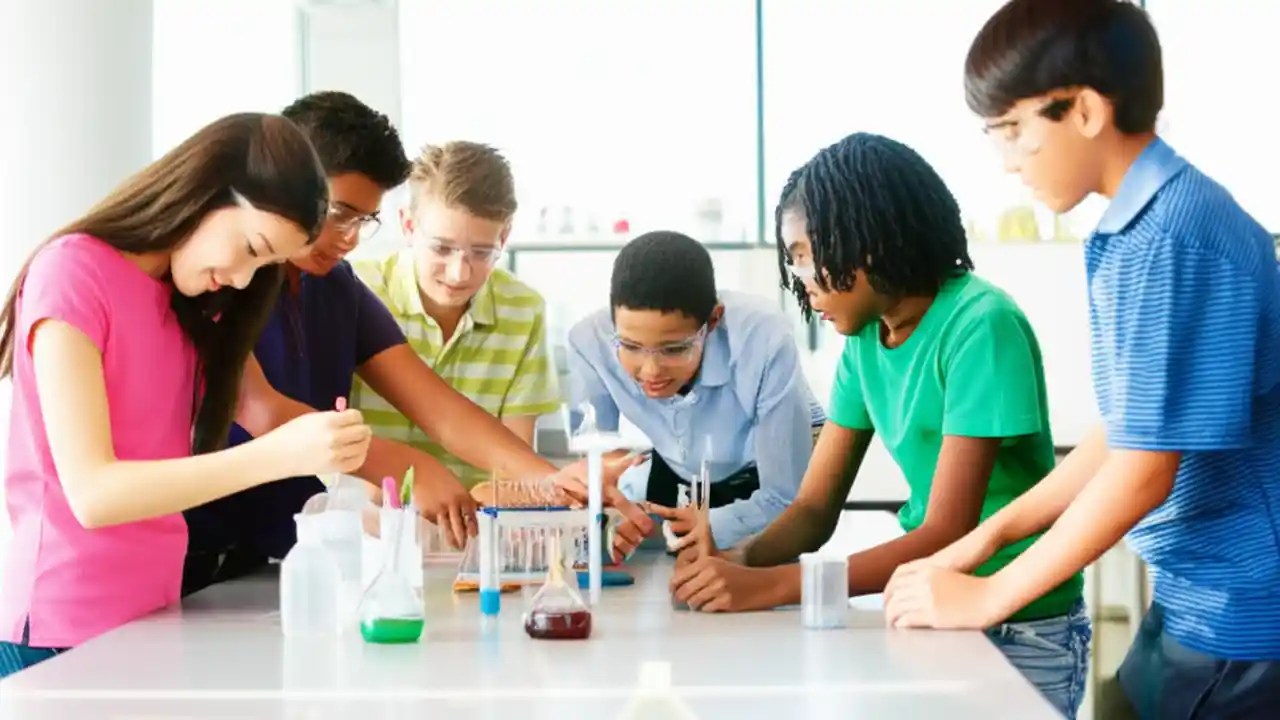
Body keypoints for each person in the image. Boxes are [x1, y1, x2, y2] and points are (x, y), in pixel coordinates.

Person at [885, 1, 1280, 717]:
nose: (1007, 162)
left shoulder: (1173, 238)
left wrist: (993, 595)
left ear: (1089, 110)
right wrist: (988, 538)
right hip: (1197, 601)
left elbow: (1142, 473)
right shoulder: (1146, 226)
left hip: (1242, 618)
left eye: (1014, 130)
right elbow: (1128, 432)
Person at [670, 133, 1089, 717]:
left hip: (1018, 625)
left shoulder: (981, 324)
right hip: (929, 608)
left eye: (804, 253)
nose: (801, 280)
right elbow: (815, 511)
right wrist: (737, 562)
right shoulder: (866, 339)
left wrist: (769, 586)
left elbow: (948, 532)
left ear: (870, 238)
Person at [183, 94, 644, 595]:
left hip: (271, 557)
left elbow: (441, 411)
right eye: (338, 213)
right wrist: (411, 465)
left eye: (362, 220)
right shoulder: (229, 275)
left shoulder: (339, 290)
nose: (349, 237)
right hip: (192, 543)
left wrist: (551, 483)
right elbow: (263, 412)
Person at [0, 113, 373, 678]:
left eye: (266, 265)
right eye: (252, 247)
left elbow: (263, 409)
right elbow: (94, 494)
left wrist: (348, 464)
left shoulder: (196, 303)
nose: (247, 279)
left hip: (155, 618)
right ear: (207, 191)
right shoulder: (72, 273)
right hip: (59, 631)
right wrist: (278, 457)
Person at [565, 231, 825, 555]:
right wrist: (608, 503)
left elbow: (785, 496)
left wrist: (716, 529)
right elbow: (600, 461)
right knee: (662, 559)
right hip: (680, 459)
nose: (650, 372)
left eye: (673, 349)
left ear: (713, 321)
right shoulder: (589, 342)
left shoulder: (764, 339)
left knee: (751, 560)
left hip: (765, 458)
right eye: (630, 346)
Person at [352, 141, 561, 489]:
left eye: (481, 252)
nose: (458, 273)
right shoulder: (360, 292)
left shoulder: (524, 311)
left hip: (476, 524)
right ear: (407, 224)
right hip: (371, 523)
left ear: (504, 235)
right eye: (441, 248)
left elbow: (515, 470)